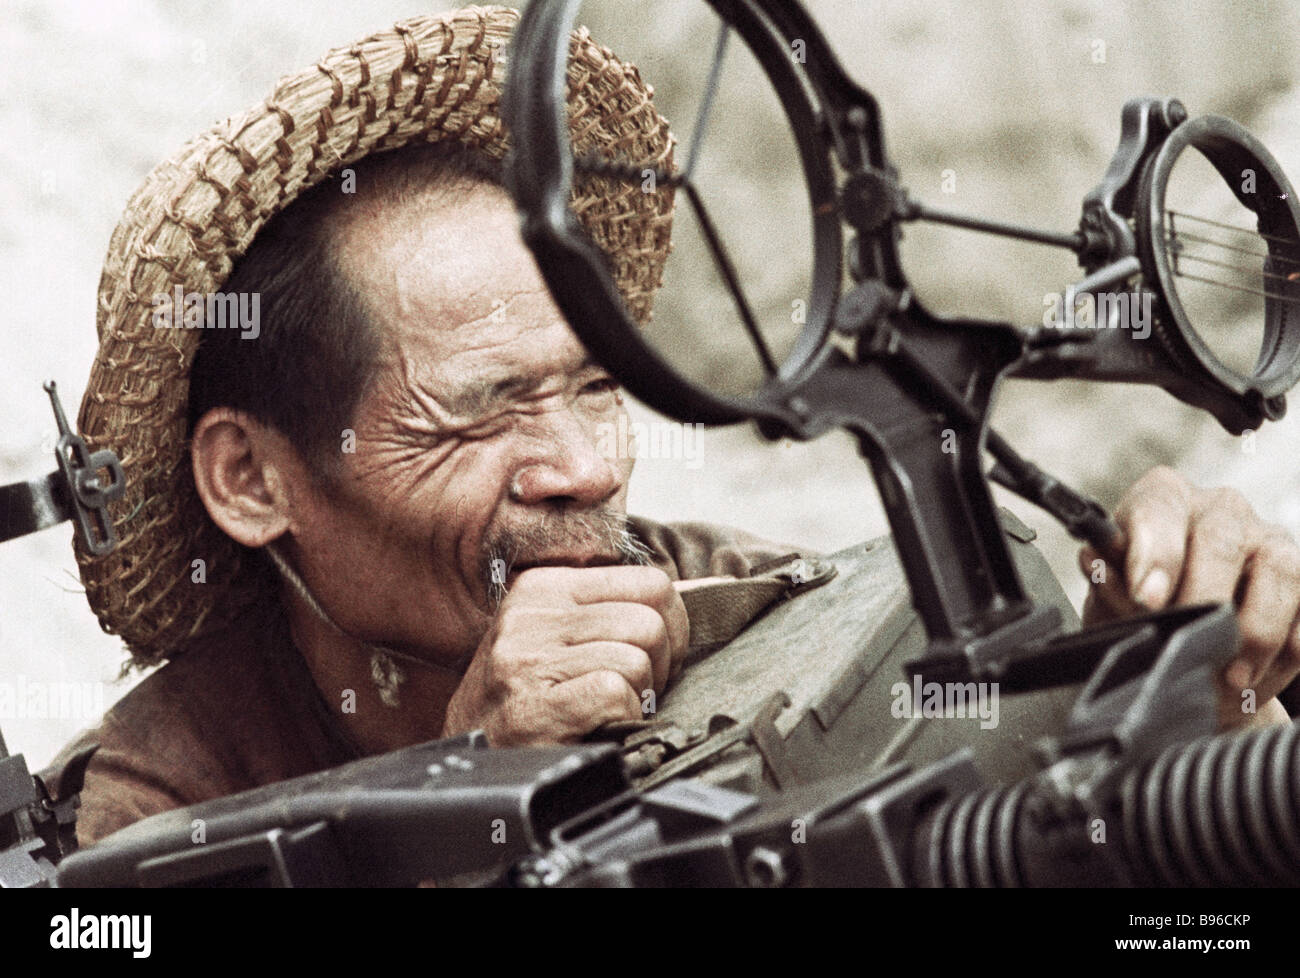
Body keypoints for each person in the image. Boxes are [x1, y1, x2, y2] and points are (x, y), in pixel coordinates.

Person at [45, 6, 1300, 848]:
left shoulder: (742, 598)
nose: (588, 467)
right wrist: (473, 791)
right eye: (485, 411)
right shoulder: (166, 796)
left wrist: (1172, 686)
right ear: (252, 479)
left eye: (595, 386)